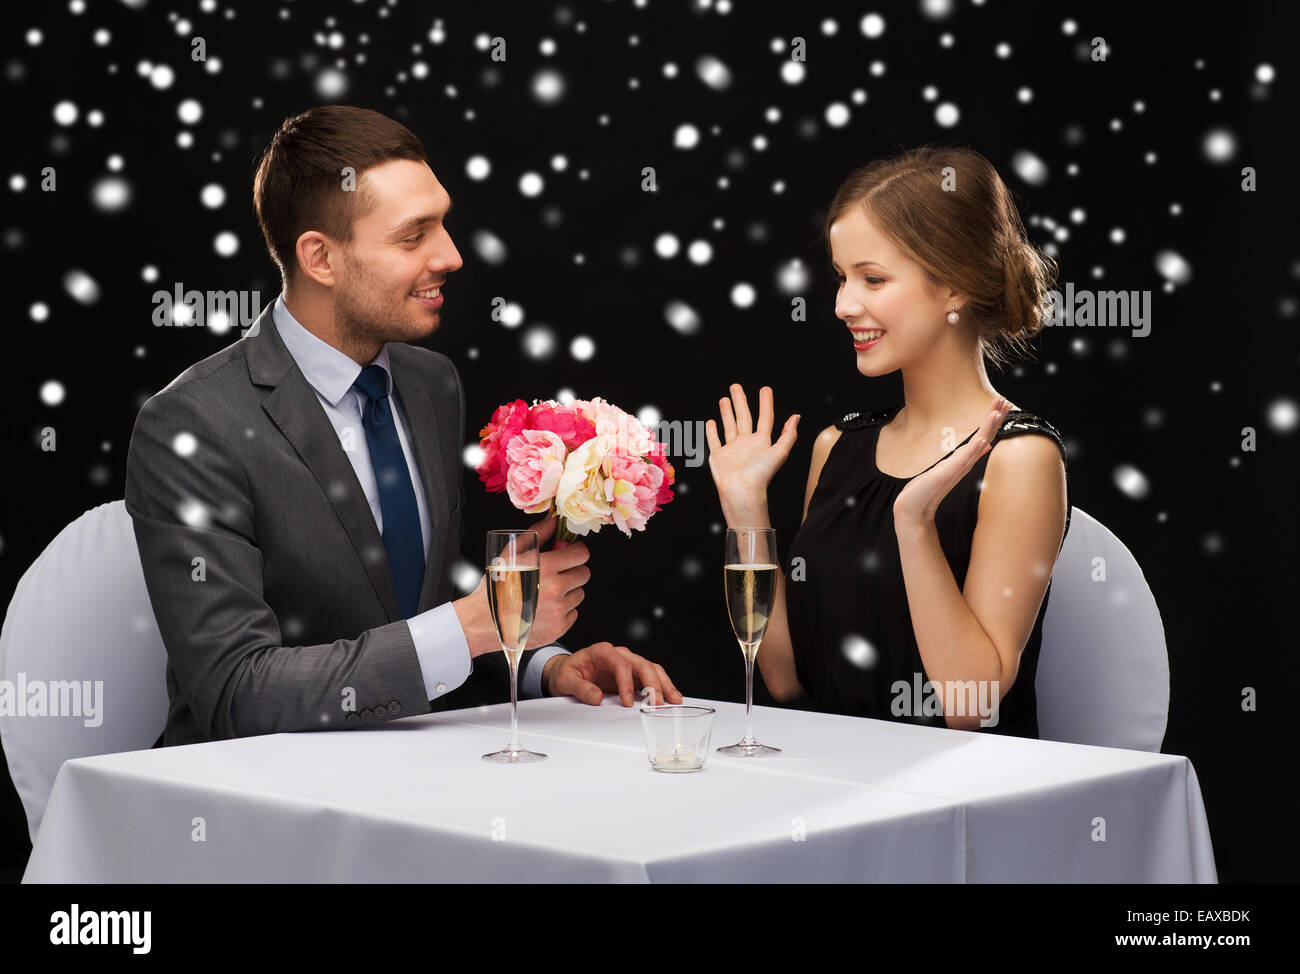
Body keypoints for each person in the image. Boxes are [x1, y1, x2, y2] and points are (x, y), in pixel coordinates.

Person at [126, 105, 681, 747]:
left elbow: (413, 619)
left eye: (443, 224)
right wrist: (476, 623)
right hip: (254, 809)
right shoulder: (193, 423)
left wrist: (543, 667)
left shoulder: (430, 384)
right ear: (320, 258)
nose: (452, 255)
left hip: (419, 777)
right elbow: (236, 693)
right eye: (414, 236)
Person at [704, 146, 1070, 738]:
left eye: (872, 278)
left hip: (951, 805)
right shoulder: (837, 446)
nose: (843, 304)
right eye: (843, 278)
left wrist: (915, 522)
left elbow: (970, 708)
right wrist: (746, 509)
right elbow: (784, 678)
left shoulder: (1020, 457)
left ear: (955, 287)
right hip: (829, 781)